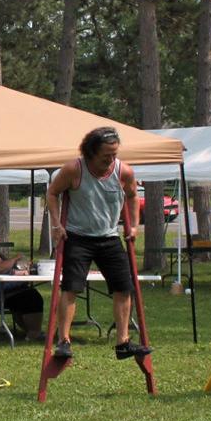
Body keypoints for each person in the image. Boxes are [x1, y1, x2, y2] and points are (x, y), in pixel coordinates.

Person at [45, 126, 151, 362]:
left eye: (114, 154)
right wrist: (56, 224)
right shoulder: (74, 170)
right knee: (71, 287)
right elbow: (52, 193)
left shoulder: (123, 171)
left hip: (109, 237)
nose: (111, 159)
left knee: (124, 286)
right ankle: (64, 340)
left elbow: (133, 195)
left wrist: (133, 225)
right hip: (77, 237)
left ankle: (123, 342)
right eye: (106, 155)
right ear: (91, 152)